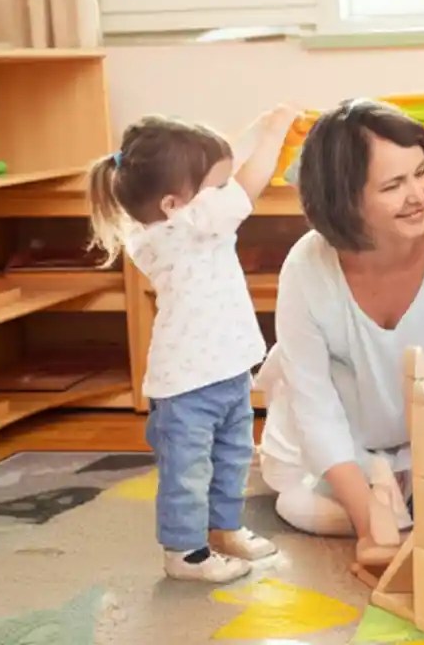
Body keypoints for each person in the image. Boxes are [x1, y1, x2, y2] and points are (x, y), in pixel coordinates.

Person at [255, 99, 424, 568]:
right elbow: (315, 406)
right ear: (346, 199)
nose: (418, 193)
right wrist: (369, 524)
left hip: (423, 435)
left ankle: (404, 493)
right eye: (393, 185)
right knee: (306, 507)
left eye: (421, 172)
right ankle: (384, 497)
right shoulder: (306, 270)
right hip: (342, 441)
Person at [86, 106, 296, 583]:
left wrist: (258, 126)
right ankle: (185, 552)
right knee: (187, 473)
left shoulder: (184, 217)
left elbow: (222, 166)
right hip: (187, 385)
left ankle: (224, 528)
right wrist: (276, 135)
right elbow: (248, 182)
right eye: (213, 189)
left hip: (227, 370)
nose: (223, 193)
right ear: (173, 204)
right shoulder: (179, 232)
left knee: (232, 457)